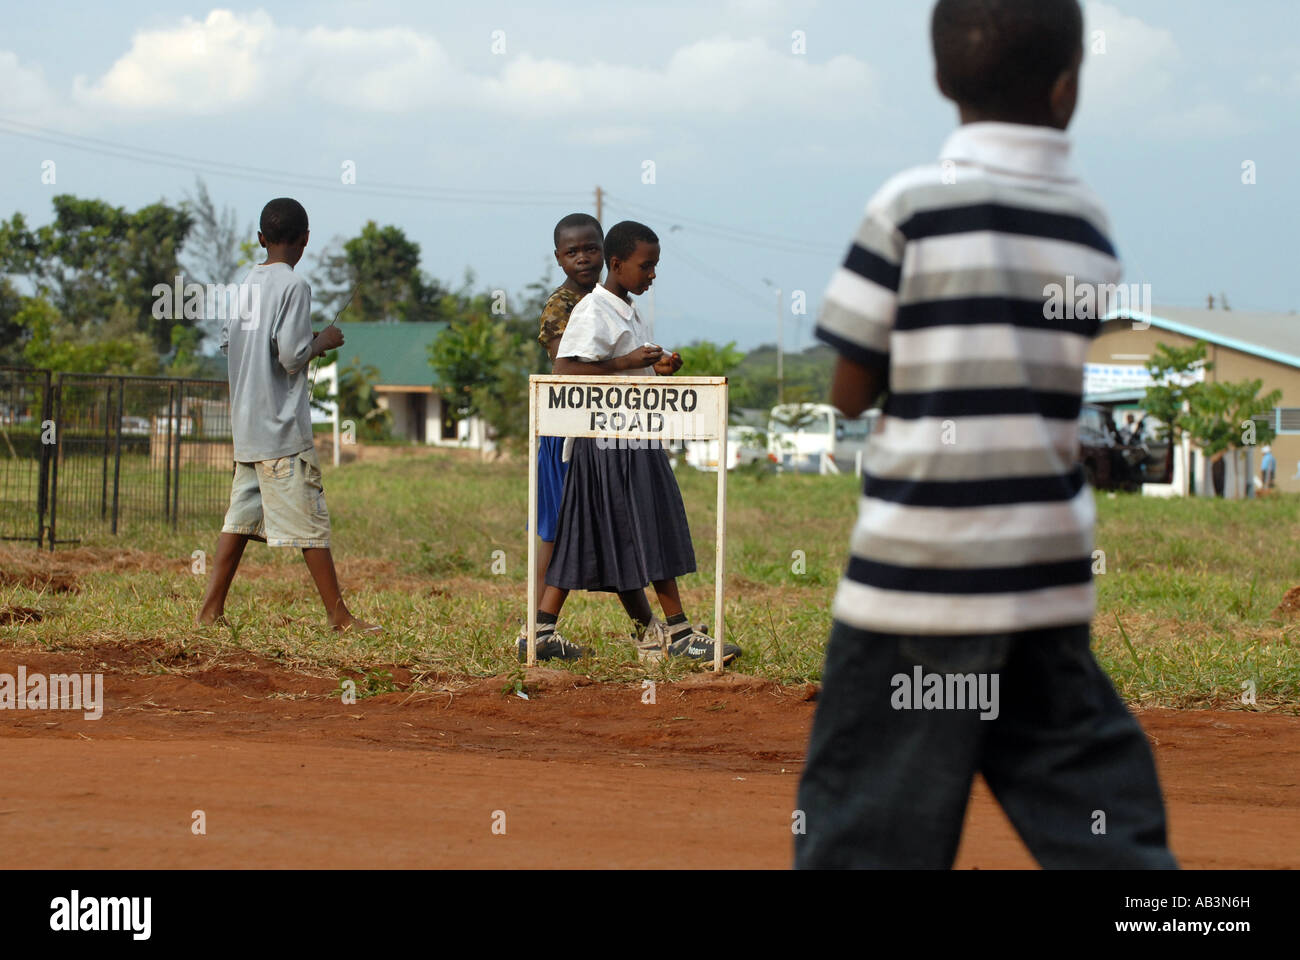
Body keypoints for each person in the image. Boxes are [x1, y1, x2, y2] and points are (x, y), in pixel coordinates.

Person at [794, 0, 1176, 868]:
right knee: (1098, 814)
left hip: (916, 584)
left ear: (940, 80)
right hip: (1043, 582)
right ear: (1067, 87)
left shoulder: (910, 206)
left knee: (867, 830)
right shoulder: (1088, 226)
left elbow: (852, 390)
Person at [535, 220, 742, 665]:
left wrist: (653, 370)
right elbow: (566, 371)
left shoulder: (628, 309)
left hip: (630, 438)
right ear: (617, 265)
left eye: (655, 267)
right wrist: (626, 361)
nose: (652, 275)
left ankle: (541, 630)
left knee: (588, 533)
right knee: (652, 526)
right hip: (607, 443)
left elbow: (624, 372)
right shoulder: (591, 310)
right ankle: (681, 632)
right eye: (646, 266)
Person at [197, 198, 377, 634]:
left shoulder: (245, 284)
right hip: (280, 429)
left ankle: (209, 612)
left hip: (247, 425)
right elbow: (293, 357)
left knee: (239, 521)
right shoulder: (294, 286)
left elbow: (234, 343)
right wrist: (325, 340)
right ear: (305, 240)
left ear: (261, 239)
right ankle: (339, 617)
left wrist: (298, 342)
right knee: (311, 521)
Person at [517, 213, 656, 661]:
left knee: (609, 524)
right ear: (558, 258)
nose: (583, 258)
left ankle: (647, 628)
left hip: (604, 433)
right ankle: (536, 630)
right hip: (567, 433)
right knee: (559, 528)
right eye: (572, 252)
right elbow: (574, 370)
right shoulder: (565, 307)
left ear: (607, 254)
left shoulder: (615, 302)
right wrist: (622, 364)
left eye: (590, 249)